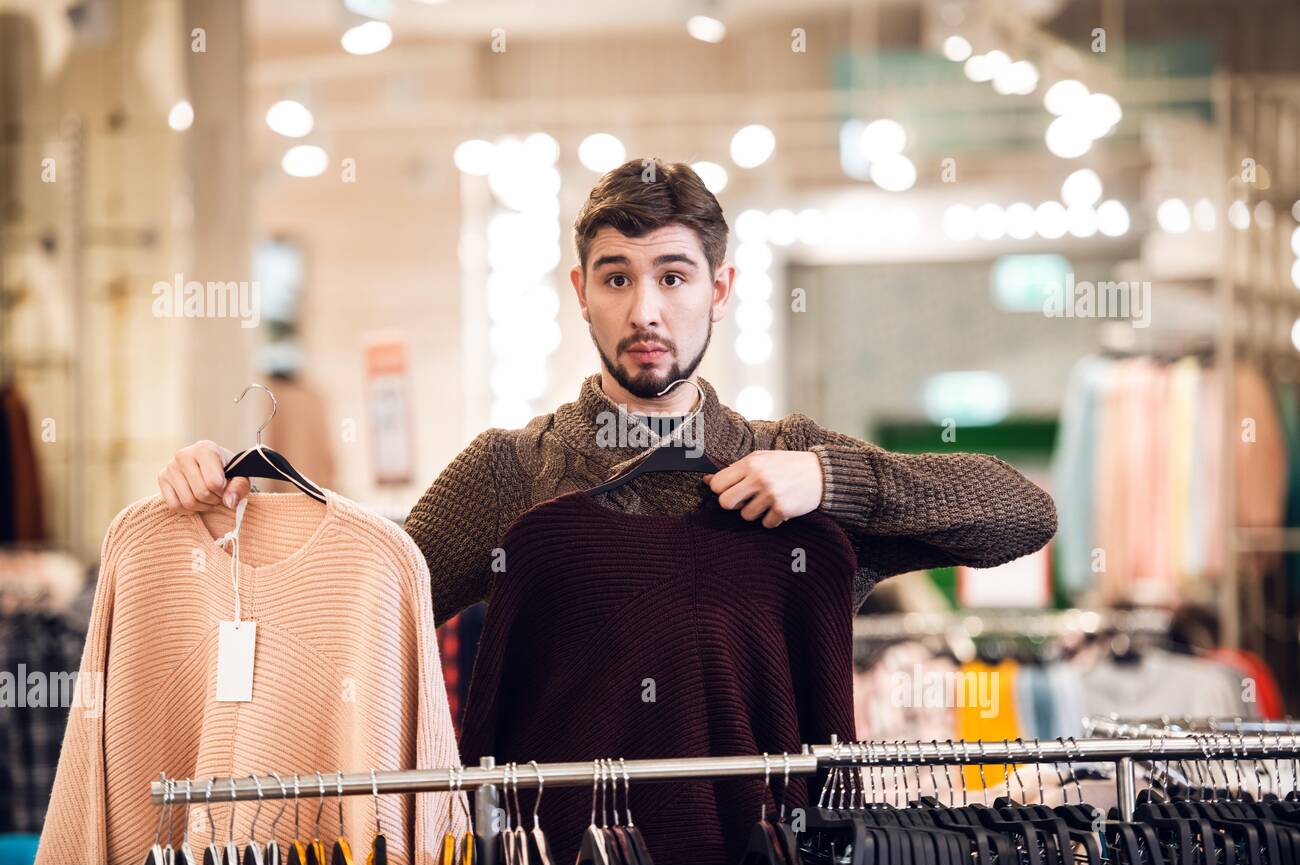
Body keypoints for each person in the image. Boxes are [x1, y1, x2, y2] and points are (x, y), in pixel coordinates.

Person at [158, 158, 1057, 627]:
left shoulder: (786, 461)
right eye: (618, 279)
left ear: (721, 288)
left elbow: (1022, 514)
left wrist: (833, 482)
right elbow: (353, 594)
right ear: (579, 292)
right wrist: (224, 508)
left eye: (674, 276)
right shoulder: (513, 471)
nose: (647, 310)